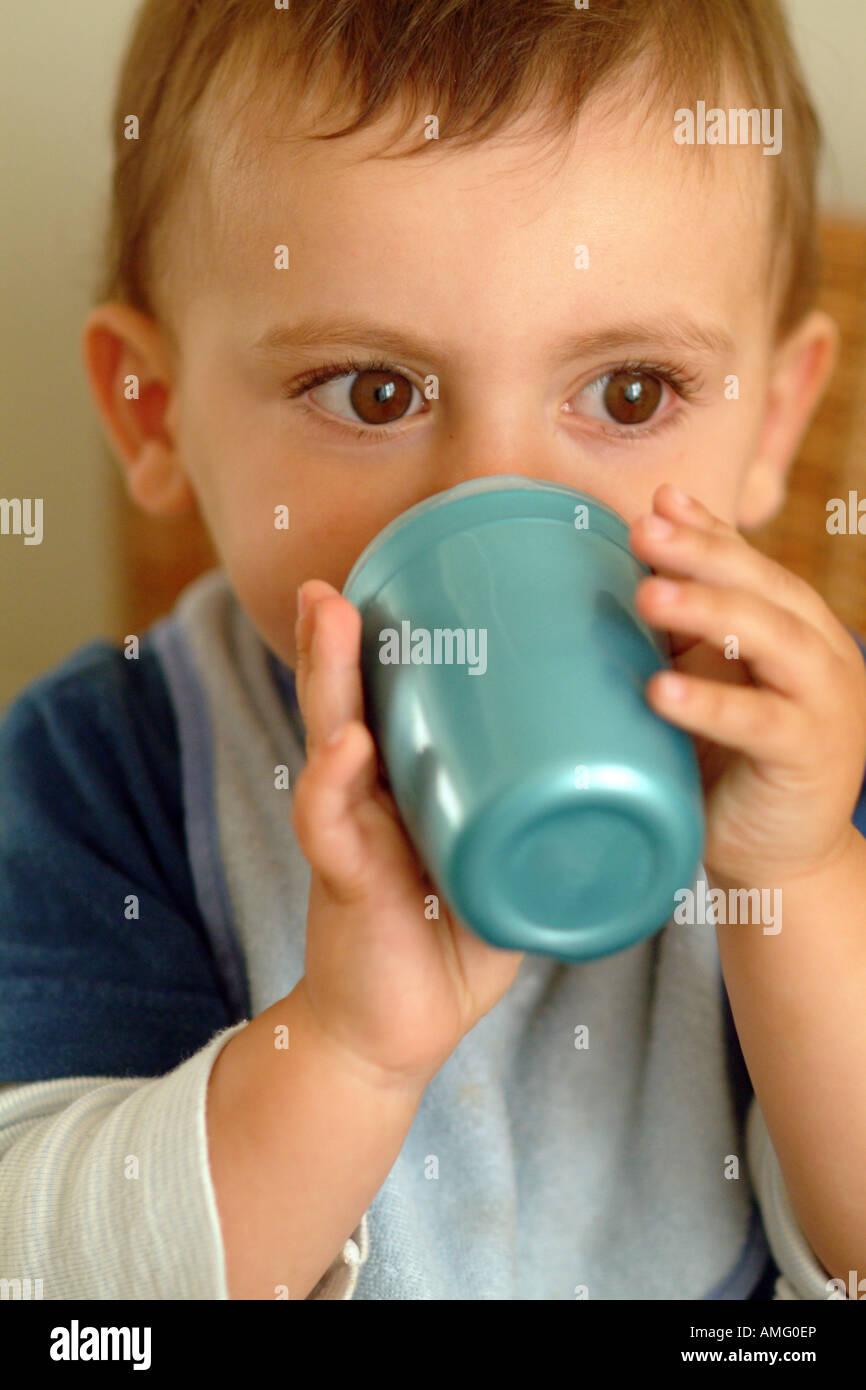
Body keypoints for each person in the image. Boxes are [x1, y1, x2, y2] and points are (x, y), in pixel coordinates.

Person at [2, 0, 865, 1300]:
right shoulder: (104, 771)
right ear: (155, 409)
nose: (494, 491)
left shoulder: (802, 739)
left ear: (772, 421)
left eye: (629, 392)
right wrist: (344, 1053)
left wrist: (794, 884)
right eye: (372, 391)